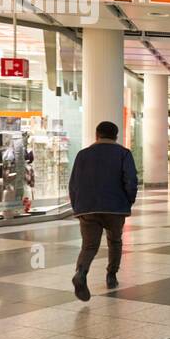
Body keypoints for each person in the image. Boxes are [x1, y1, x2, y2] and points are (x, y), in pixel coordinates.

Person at [67, 120, 138, 301]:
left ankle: (81, 273)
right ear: (116, 136)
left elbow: (74, 183)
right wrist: (128, 201)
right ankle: (111, 276)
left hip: (88, 208)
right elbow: (130, 180)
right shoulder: (124, 153)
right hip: (115, 207)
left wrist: (78, 206)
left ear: (97, 135)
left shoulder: (83, 155)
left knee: (89, 245)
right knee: (114, 241)